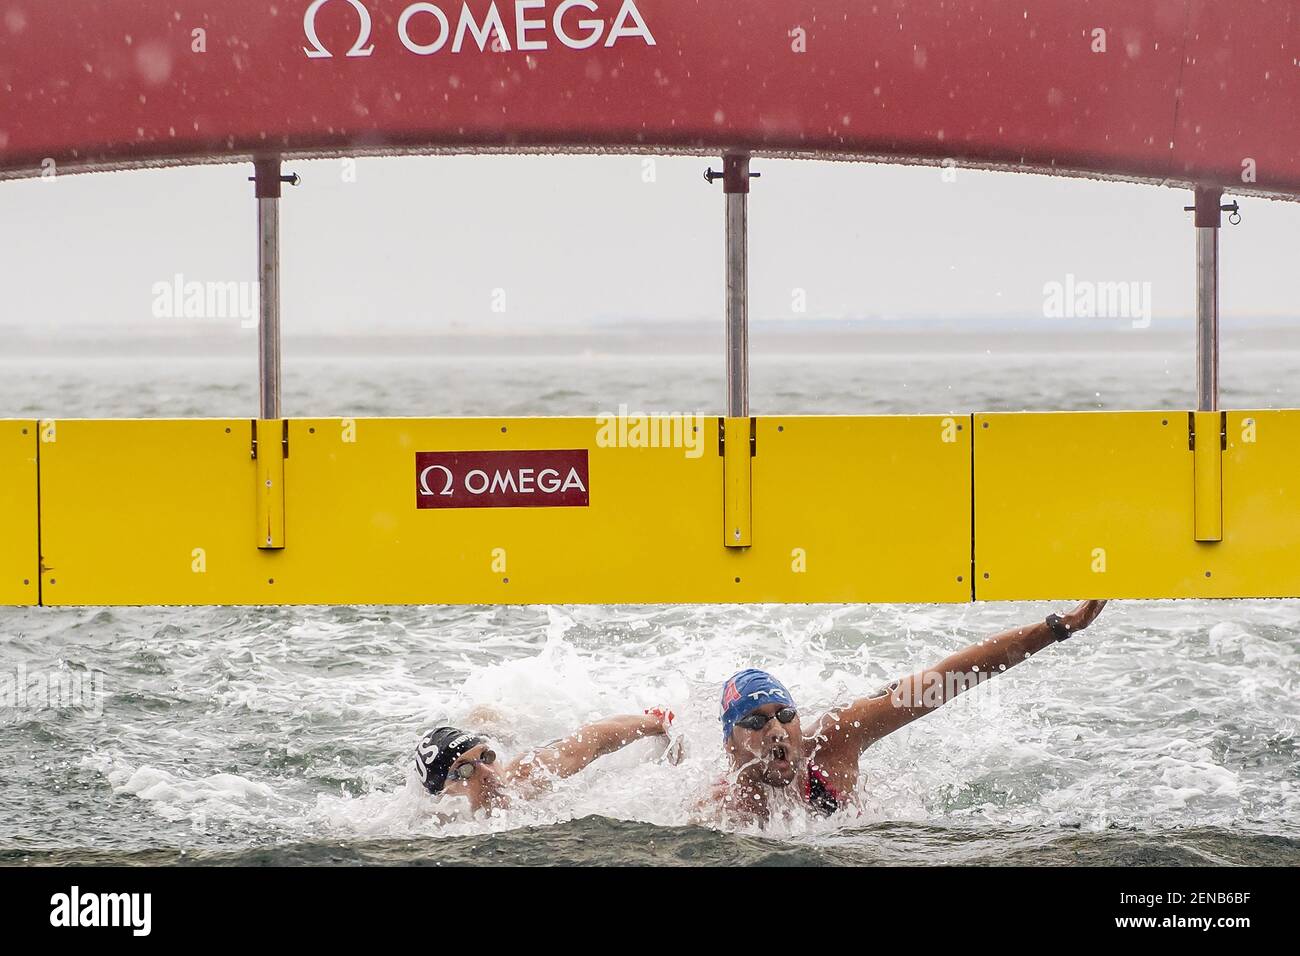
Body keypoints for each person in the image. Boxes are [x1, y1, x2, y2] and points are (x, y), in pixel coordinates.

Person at [707, 600, 1108, 824]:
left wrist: (1060, 627)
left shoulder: (835, 739)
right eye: (755, 721)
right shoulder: (720, 811)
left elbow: (944, 681)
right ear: (731, 745)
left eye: (785, 714)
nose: (777, 729)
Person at [413, 708, 675, 815]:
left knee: (491, 721)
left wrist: (658, 722)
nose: (485, 771)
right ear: (443, 792)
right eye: (465, 770)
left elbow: (592, 739)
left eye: (486, 757)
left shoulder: (530, 772)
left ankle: (487, 721)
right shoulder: (436, 820)